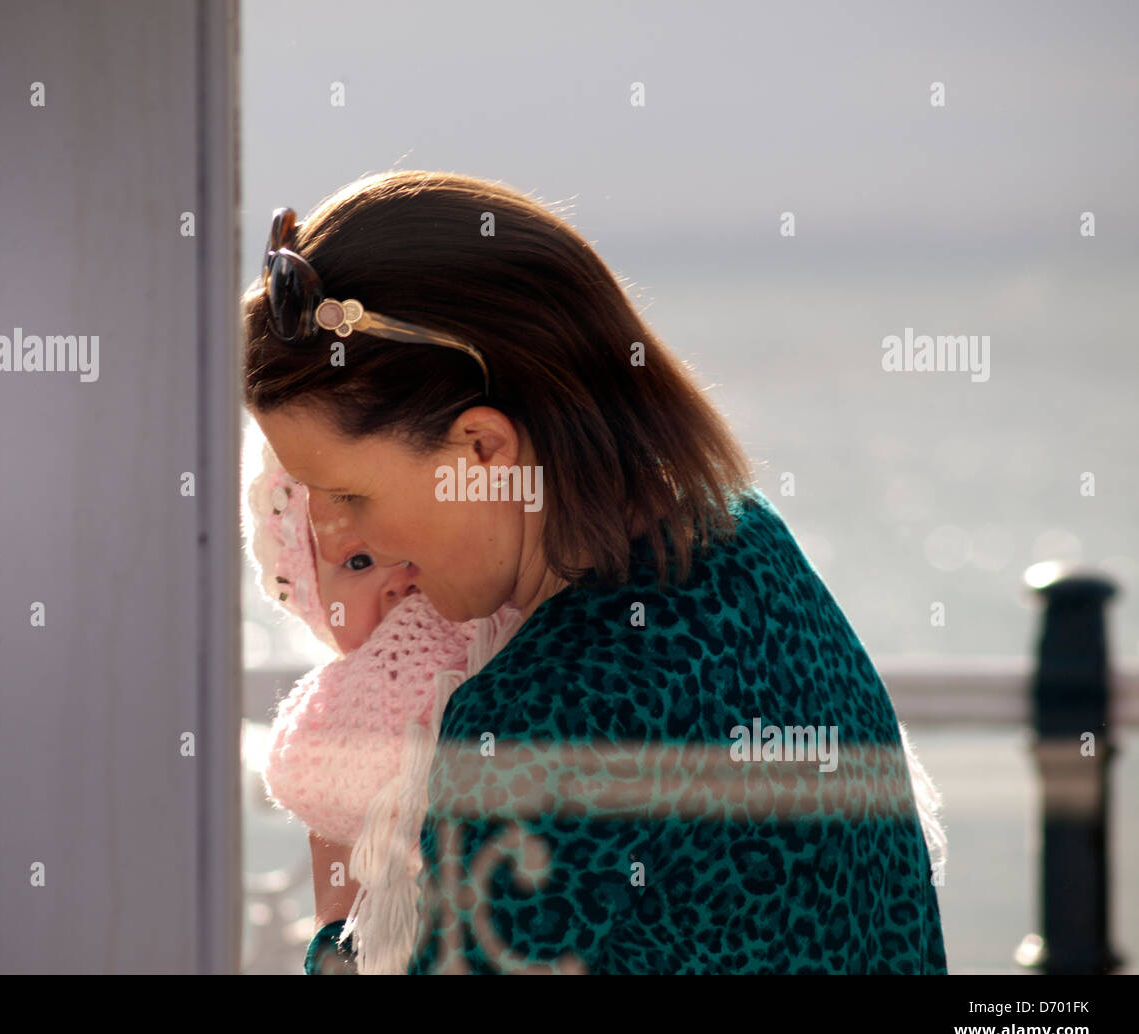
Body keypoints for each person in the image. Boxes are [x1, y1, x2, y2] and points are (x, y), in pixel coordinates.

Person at [242, 170, 948, 974]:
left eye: (348, 493)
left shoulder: (538, 721)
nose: (331, 538)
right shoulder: (744, 540)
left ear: (482, 451)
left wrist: (338, 912)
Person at [242, 429, 522, 974]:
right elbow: (340, 920)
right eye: (359, 562)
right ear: (316, 604)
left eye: (409, 546)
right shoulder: (339, 719)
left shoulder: (502, 640)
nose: (399, 581)